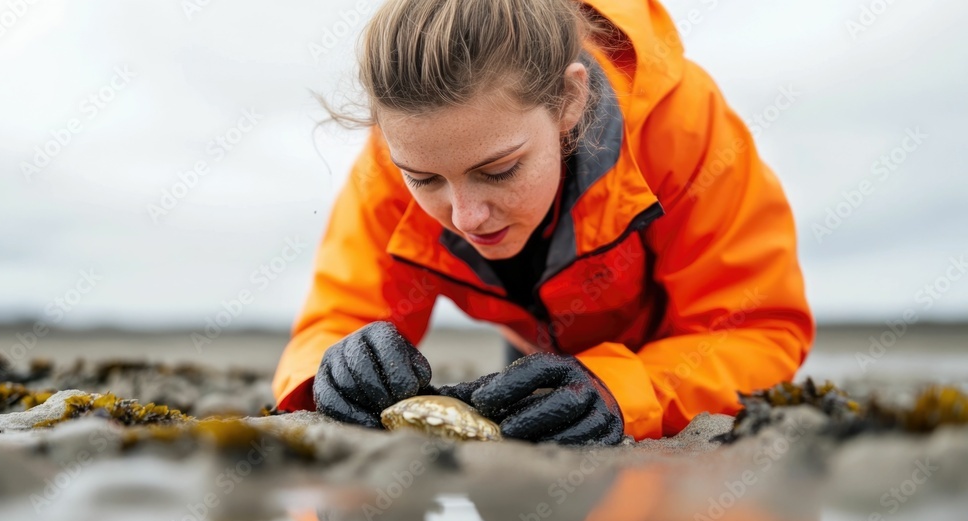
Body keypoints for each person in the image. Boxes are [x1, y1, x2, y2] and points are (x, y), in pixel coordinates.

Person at [272, 0, 815, 445]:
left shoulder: (684, 130)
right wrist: (328, 371)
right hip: (536, 361)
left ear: (569, 98)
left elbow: (758, 330)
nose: (465, 217)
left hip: (667, 365)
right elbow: (336, 318)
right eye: (424, 180)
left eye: (499, 169)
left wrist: (625, 389)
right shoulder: (400, 151)